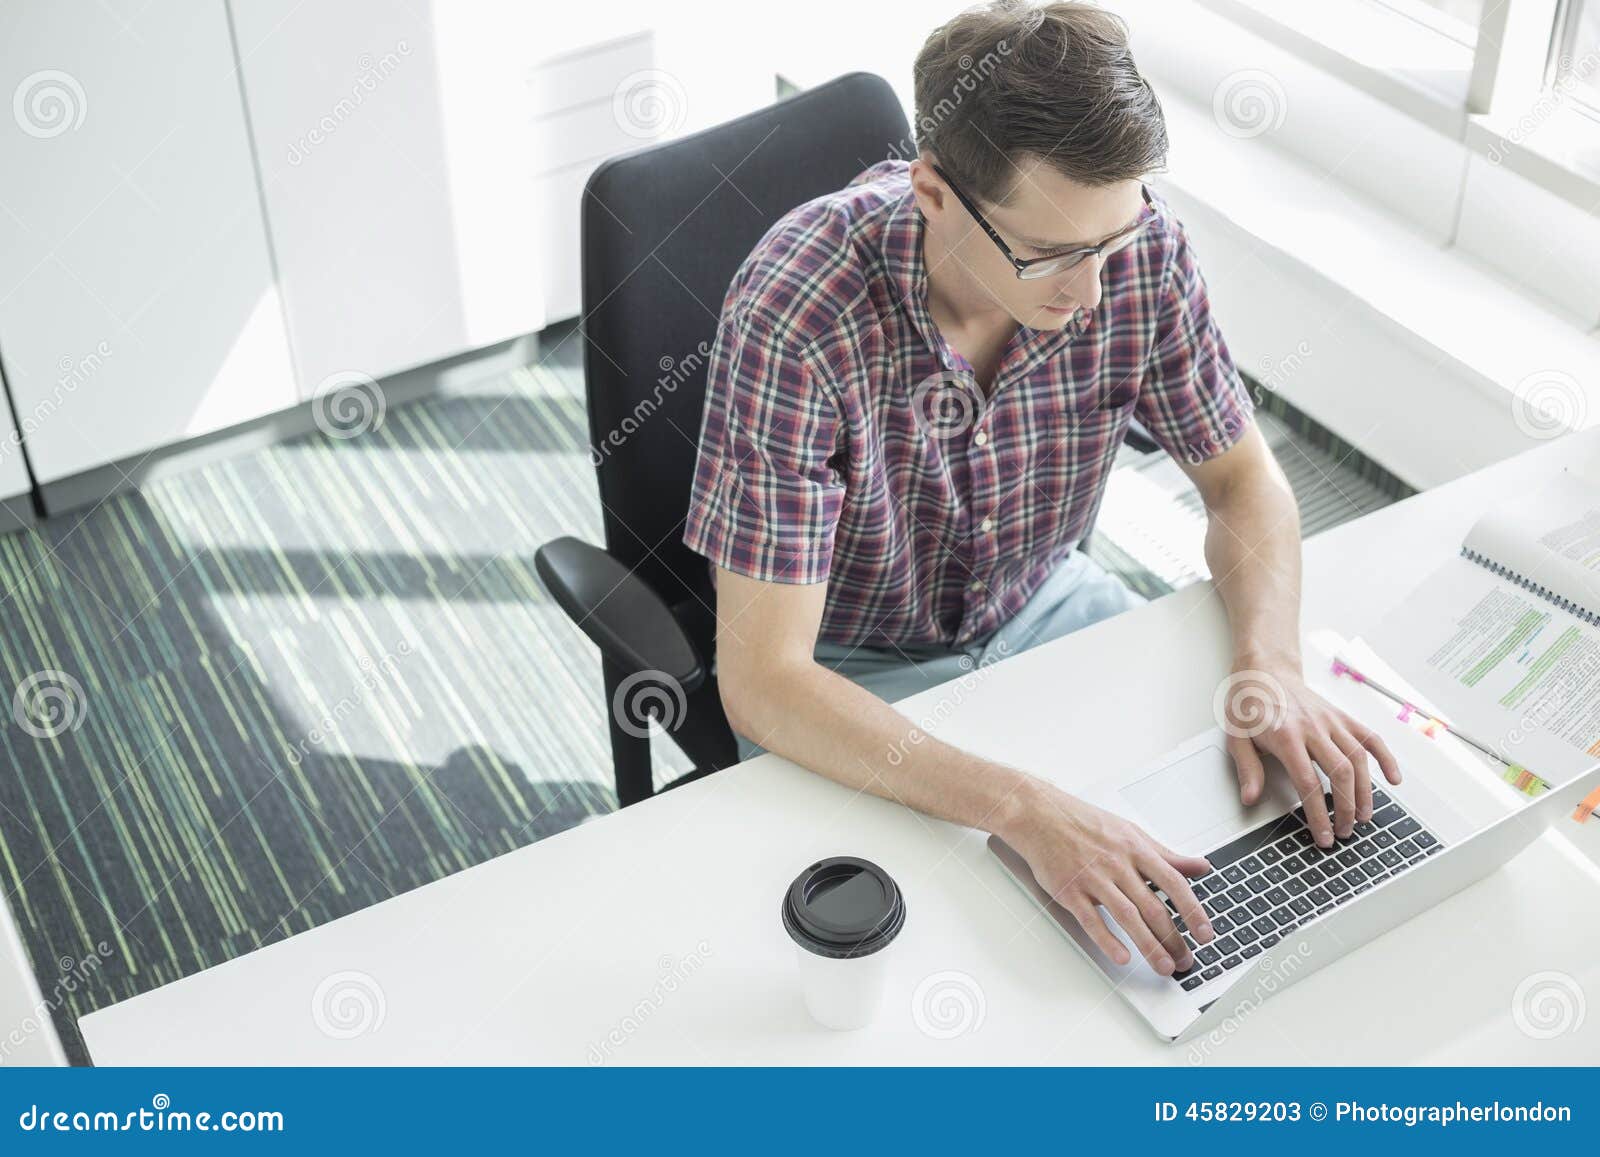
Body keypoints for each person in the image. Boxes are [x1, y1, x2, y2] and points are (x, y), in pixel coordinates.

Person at [683, 0, 1399, 980]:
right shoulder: (799, 307)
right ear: (932, 193)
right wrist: (1022, 805)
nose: (1094, 289)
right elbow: (765, 679)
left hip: (1049, 605)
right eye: (1054, 254)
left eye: (1112, 241)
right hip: (853, 669)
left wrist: (1270, 663)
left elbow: (1243, 482)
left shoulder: (1137, 252)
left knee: (1232, 863)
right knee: (944, 971)